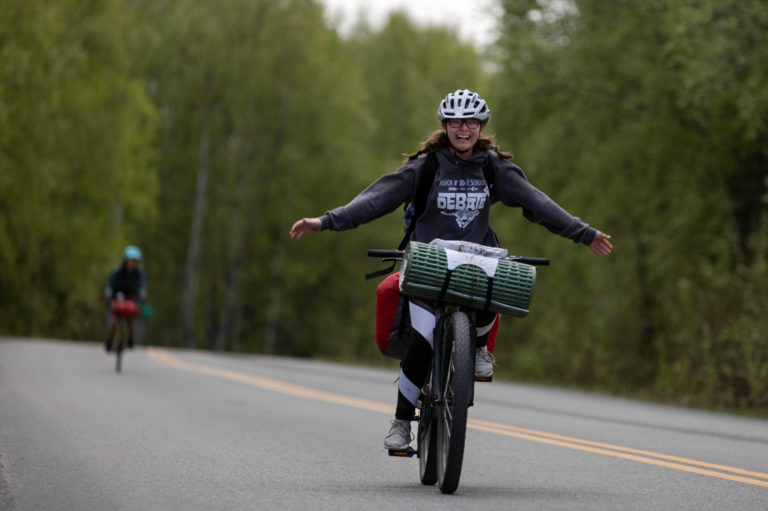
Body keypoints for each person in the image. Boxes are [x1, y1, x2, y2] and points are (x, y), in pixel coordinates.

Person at [289, 89, 613, 450]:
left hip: (477, 259)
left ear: (481, 125)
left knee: (501, 276)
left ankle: (477, 349)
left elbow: (537, 202)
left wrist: (584, 234)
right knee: (424, 338)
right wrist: (325, 221)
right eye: (456, 122)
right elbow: (376, 199)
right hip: (429, 262)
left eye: (471, 122)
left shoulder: (492, 167)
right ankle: (401, 422)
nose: (464, 128)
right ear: (445, 126)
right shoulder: (425, 167)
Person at [104, 245, 147, 352]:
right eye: (130, 261)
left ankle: (130, 338)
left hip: (131, 299)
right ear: (125, 260)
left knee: (132, 318)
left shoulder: (139, 274)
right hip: (117, 298)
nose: (132, 264)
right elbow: (110, 286)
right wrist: (109, 294)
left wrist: (142, 295)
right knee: (112, 320)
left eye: (135, 261)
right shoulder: (117, 271)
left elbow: (142, 288)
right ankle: (109, 341)